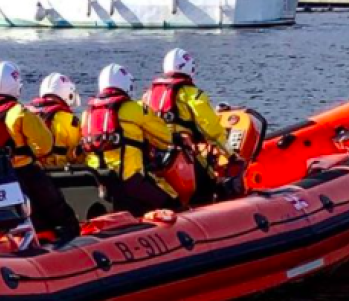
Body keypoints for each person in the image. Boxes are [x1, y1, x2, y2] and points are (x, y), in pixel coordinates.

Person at [0, 61, 80, 242]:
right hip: (21, 175)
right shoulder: (19, 113)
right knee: (56, 209)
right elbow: (44, 145)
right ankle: (64, 238)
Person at [81, 64, 179, 216]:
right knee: (173, 204)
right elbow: (165, 137)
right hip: (130, 180)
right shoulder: (135, 109)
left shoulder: (86, 114)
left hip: (97, 182)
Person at [144, 48, 236, 203]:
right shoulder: (193, 94)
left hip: (156, 153)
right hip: (182, 151)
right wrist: (231, 155)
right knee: (210, 180)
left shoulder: (149, 94)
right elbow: (211, 130)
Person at [28, 73, 84, 169]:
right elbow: (77, 156)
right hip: (60, 174)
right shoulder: (70, 120)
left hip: (33, 172)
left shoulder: (29, 114)